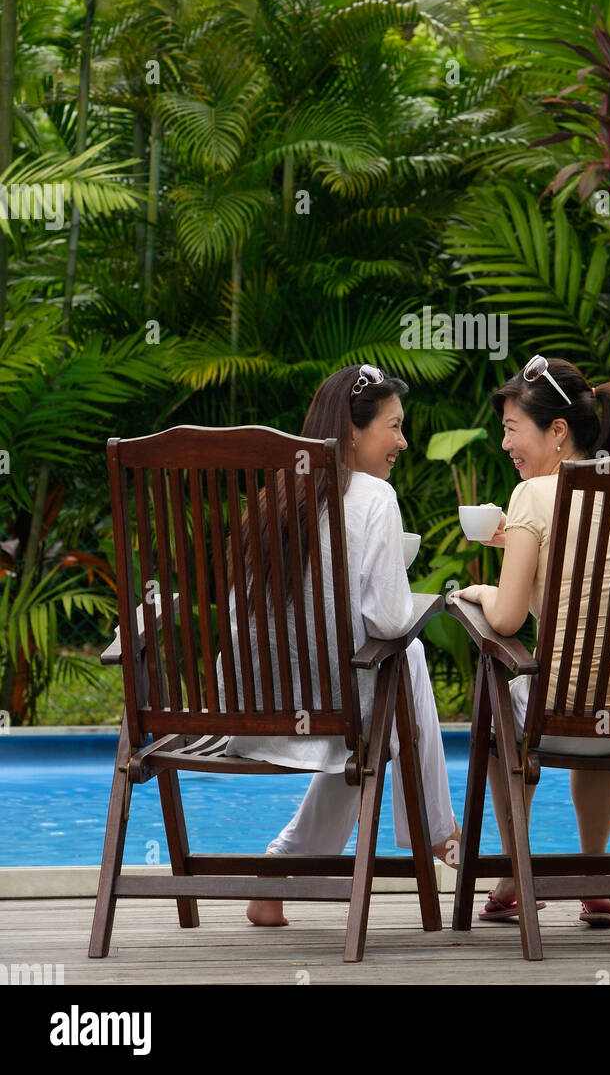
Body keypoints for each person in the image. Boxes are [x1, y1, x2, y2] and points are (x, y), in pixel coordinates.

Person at [216, 364, 459, 926]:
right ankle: (442, 835)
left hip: (253, 708)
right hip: (332, 714)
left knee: (375, 715)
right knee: (405, 659)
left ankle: (278, 875)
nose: (402, 441)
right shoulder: (373, 497)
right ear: (353, 431)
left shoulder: (277, 496)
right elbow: (392, 619)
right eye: (394, 426)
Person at [452, 355, 610, 928]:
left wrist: (478, 591)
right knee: (599, 687)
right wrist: (523, 549)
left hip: (567, 715)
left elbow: (506, 621)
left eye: (511, 430)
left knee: (509, 710)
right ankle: (595, 880)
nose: (506, 445)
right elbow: (588, 593)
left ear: (557, 432)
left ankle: (512, 872)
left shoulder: (534, 496)